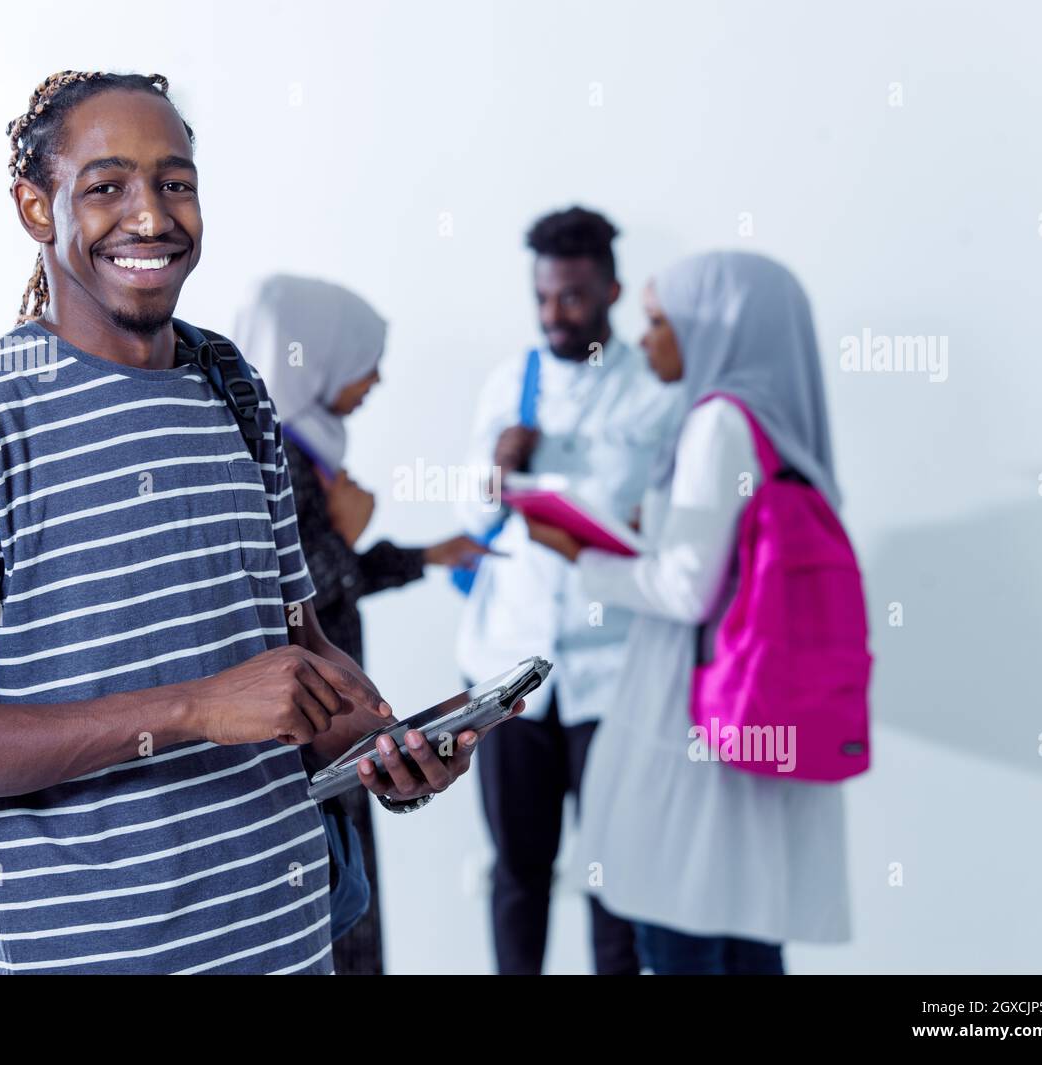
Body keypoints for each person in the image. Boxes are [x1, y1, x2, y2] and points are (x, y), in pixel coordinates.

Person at [0, 70, 515, 975]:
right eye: (106, 187)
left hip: (293, 945)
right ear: (34, 208)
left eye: (175, 182)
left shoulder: (233, 386)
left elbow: (298, 646)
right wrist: (196, 708)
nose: (150, 216)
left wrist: (383, 746)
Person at [525, 250, 852, 975]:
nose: (644, 340)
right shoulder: (778, 422)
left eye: (658, 320)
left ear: (715, 326)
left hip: (688, 711)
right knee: (745, 929)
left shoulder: (715, 423)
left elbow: (685, 590)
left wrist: (582, 554)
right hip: (751, 710)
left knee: (677, 928)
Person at [236, 273, 489, 975]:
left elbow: (329, 581)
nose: (374, 379)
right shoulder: (268, 454)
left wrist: (424, 554)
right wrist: (353, 532)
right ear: (316, 352)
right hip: (302, 736)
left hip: (335, 727)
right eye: (363, 359)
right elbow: (289, 595)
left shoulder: (306, 450)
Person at [455, 206, 679, 975]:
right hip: (508, 665)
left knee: (615, 877)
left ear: (612, 290)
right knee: (517, 870)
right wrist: (497, 464)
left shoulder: (654, 390)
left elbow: (675, 529)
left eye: (574, 297)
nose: (556, 314)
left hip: (614, 676)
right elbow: (470, 520)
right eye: (544, 296)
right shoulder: (507, 384)